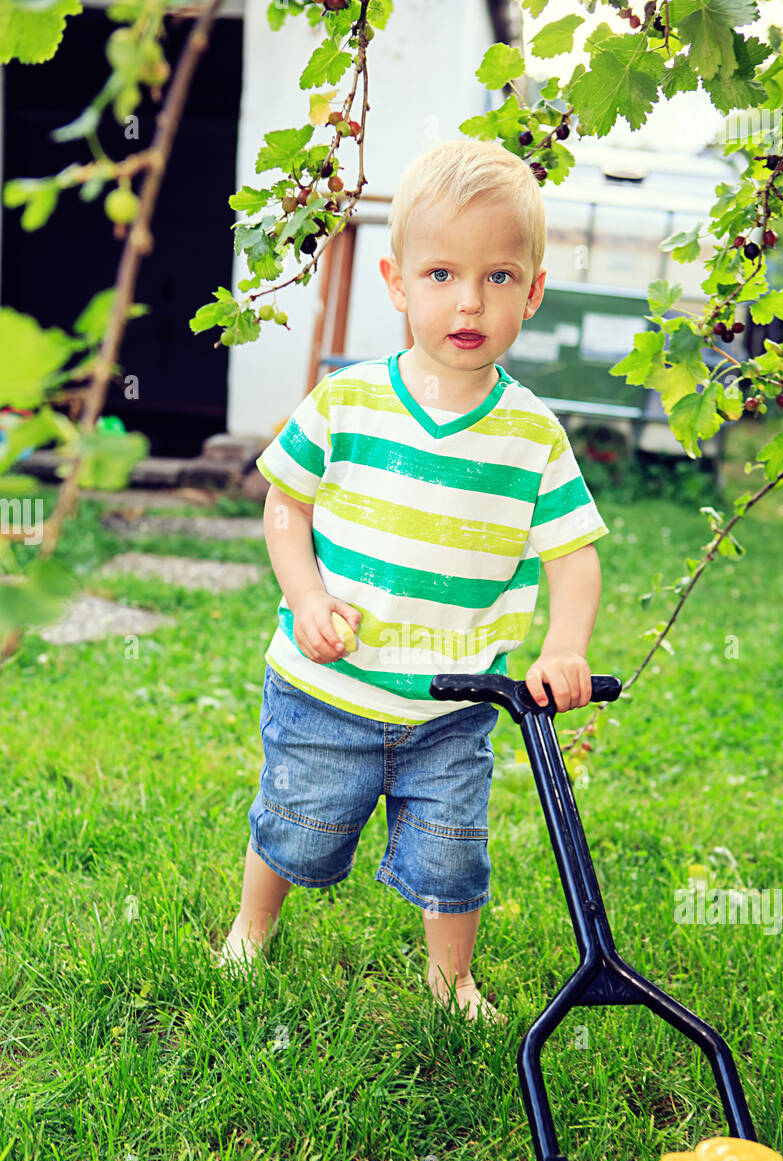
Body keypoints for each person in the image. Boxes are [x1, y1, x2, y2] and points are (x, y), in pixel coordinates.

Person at [216, 138, 607, 1024]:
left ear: (534, 292)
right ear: (397, 283)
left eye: (500, 277)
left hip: (454, 707)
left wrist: (565, 643)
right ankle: (251, 928)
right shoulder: (347, 401)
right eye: (441, 274)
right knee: (295, 821)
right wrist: (309, 597)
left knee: (454, 853)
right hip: (327, 687)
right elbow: (286, 506)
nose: (468, 300)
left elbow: (573, 554)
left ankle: (450, 978)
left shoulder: (533, 437)